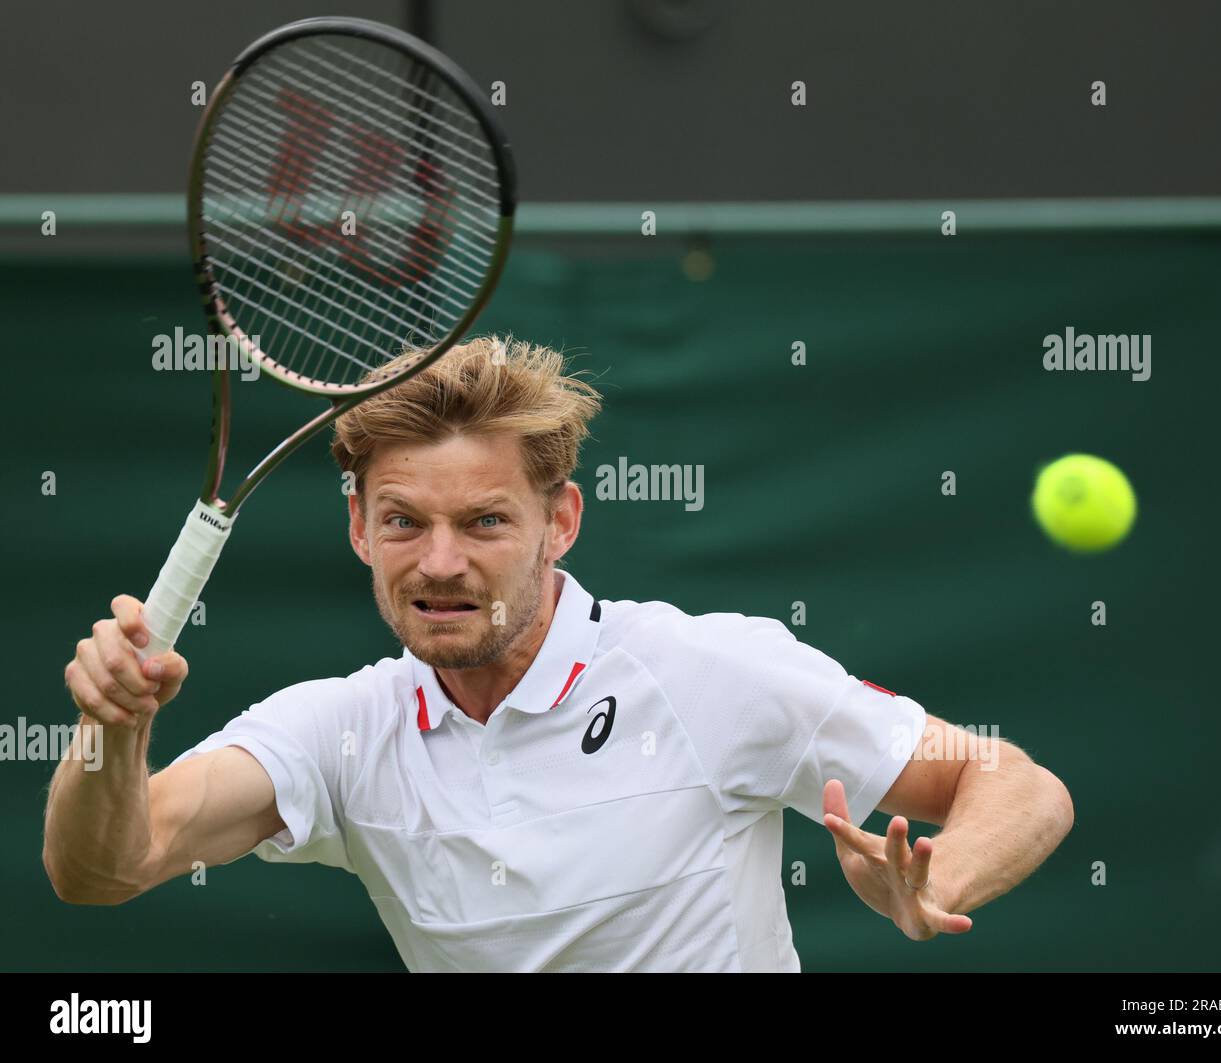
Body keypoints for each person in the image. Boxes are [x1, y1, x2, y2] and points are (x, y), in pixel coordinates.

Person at [45, 335, 1073, 972]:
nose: (439, 562)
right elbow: (103, 867)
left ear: (560, 521)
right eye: (404, 522)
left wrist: (937, 881)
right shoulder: (339, 730)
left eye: (485, 521)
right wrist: (109, 733)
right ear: (359, 527)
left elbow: (1017, 781)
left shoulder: (708, 673)